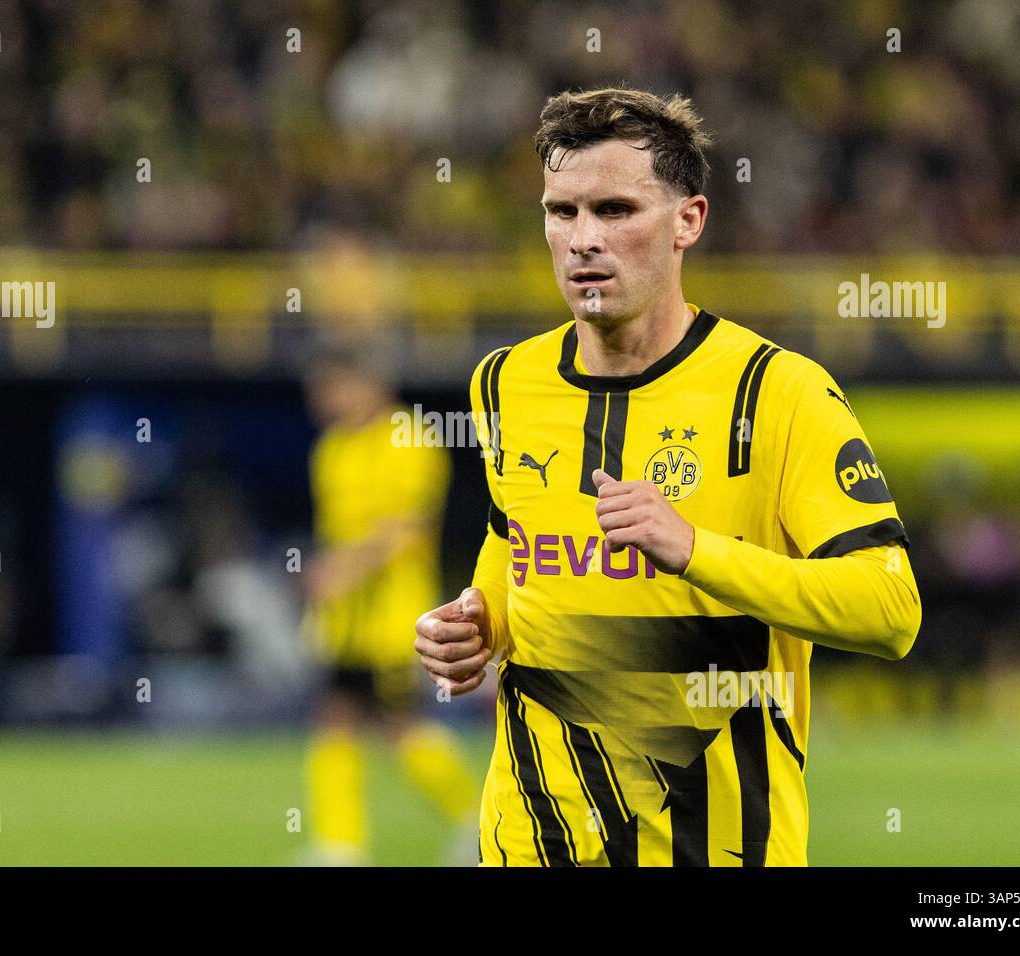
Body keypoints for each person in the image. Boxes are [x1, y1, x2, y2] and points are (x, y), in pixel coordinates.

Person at [414, 87, 921, 866]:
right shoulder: (502, 383)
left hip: (715, 845)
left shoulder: (778, 393)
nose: (583, 239)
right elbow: (515, 557)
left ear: (689, 221)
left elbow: (890, 610)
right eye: (562, 211)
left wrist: (697, 550)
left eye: (616, 211)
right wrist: (478, 628)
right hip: (527, 841)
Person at [301, 341, 477, 865]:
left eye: (334, 389)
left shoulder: (410, 438)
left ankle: (476, 817)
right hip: (345, 620)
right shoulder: (331, 448)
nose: (326, 402)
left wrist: (340, 571)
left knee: (400, 727)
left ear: (368, 385)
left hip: (393, 615)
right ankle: (340, 846)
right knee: (336, 719)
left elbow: (408, 528)